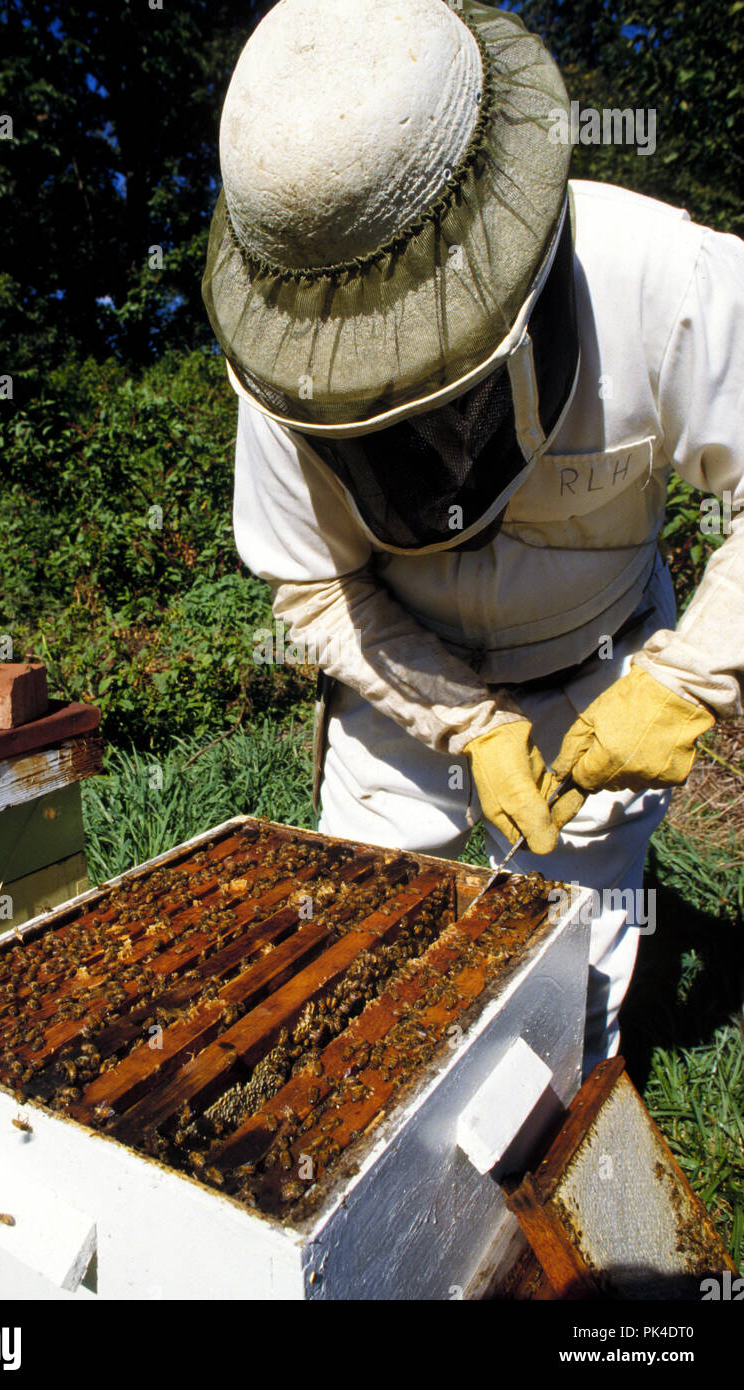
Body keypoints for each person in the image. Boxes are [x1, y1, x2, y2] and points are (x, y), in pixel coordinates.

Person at [201, 0, 744, 1071]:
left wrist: (688, 681)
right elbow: (314, 587)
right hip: (406, 690)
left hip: (604, 675)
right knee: (359, 942)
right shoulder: (281, 384)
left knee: (571, 975)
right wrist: (465, 723)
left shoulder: (668, 278)